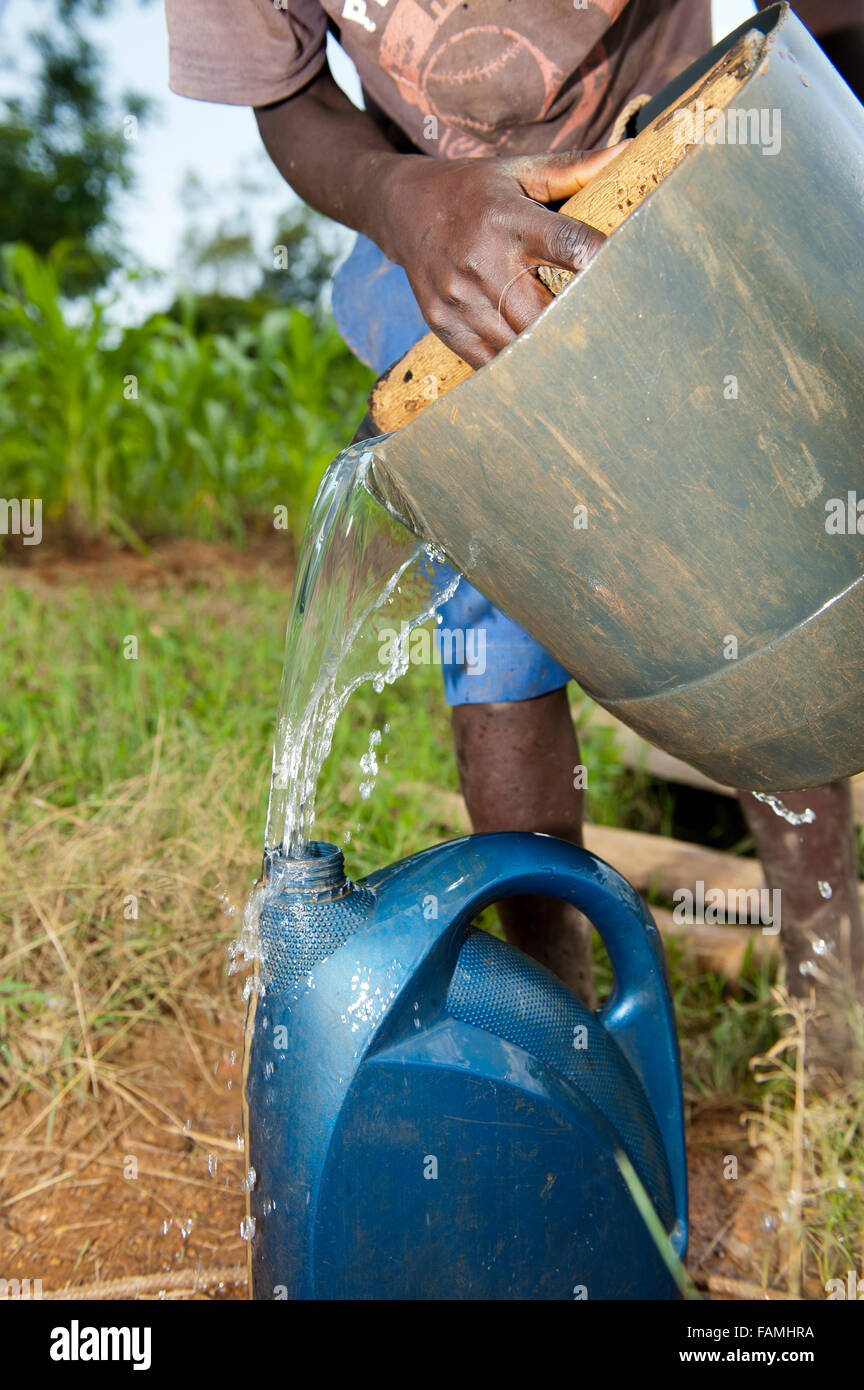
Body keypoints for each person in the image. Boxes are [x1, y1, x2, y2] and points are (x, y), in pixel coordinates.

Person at [165, 0, 863, 1018]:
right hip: (453, 235)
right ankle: (565, 1040)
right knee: (499, 630)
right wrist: (403, 198)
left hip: (665, 149)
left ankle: (832, 1016)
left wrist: (818, 101)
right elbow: (288, 96)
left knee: (745, 551)